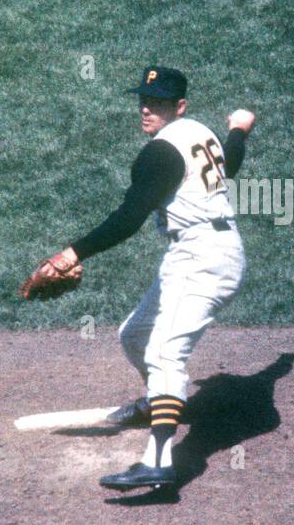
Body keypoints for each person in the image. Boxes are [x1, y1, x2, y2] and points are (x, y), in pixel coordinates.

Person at [19, 66, 255, 491]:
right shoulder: (200, 133)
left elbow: (129, 219)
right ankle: (158, 403)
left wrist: (69, 254)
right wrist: (239, 129)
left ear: (178, 106)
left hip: (204, 257)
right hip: (195, 253)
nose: (147, 109)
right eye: (144, 100)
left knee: (166, 354)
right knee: (135, 336)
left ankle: (159, 462)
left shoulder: (160, 151)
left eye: (158, 102)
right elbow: (229, 163)